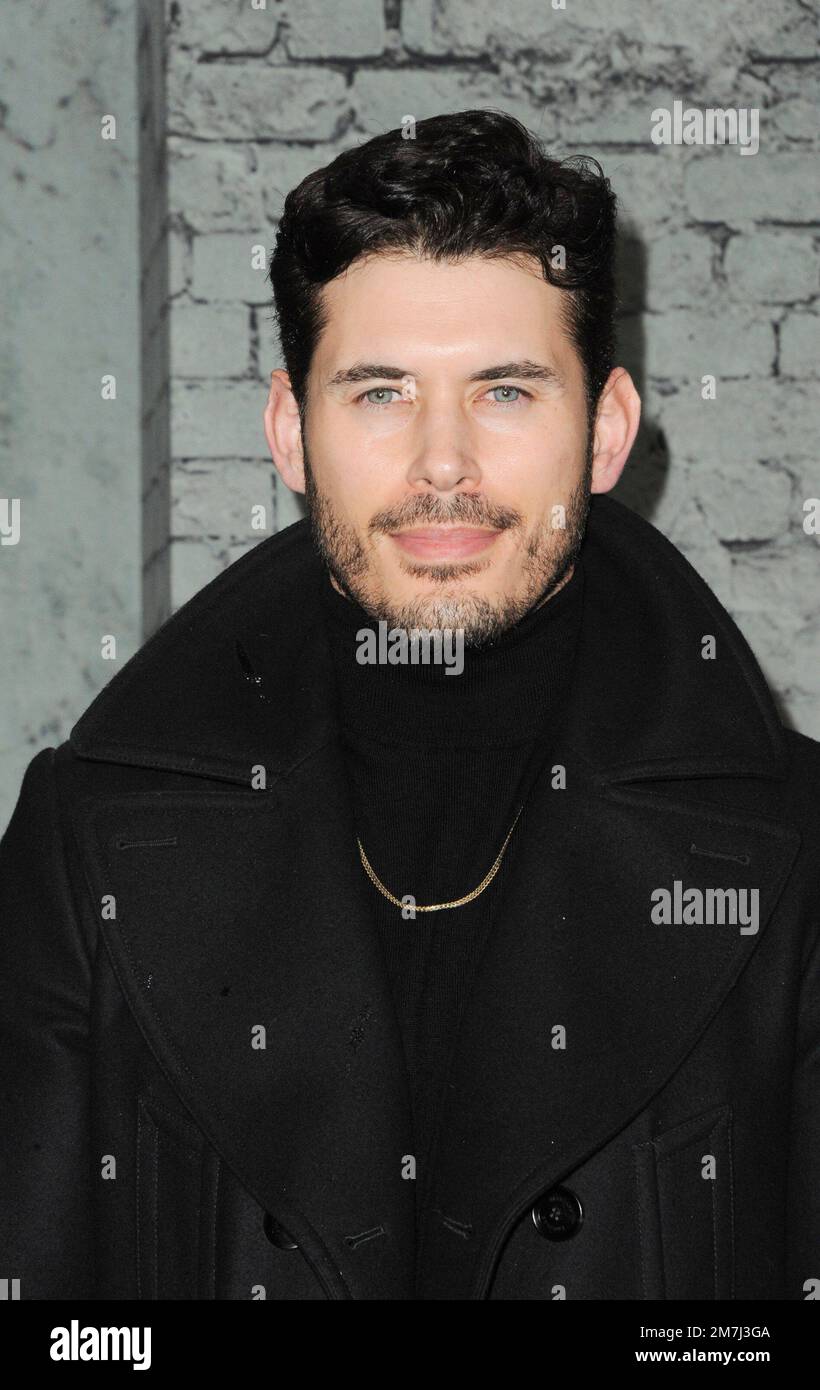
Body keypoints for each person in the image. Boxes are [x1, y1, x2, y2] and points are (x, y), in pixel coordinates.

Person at [1, 110, 817, 1301]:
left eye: (503, 392)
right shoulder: (86, 840)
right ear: (292, 431)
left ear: (606, 432)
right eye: (380, 393)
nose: (442, 462)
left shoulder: (794, 853)